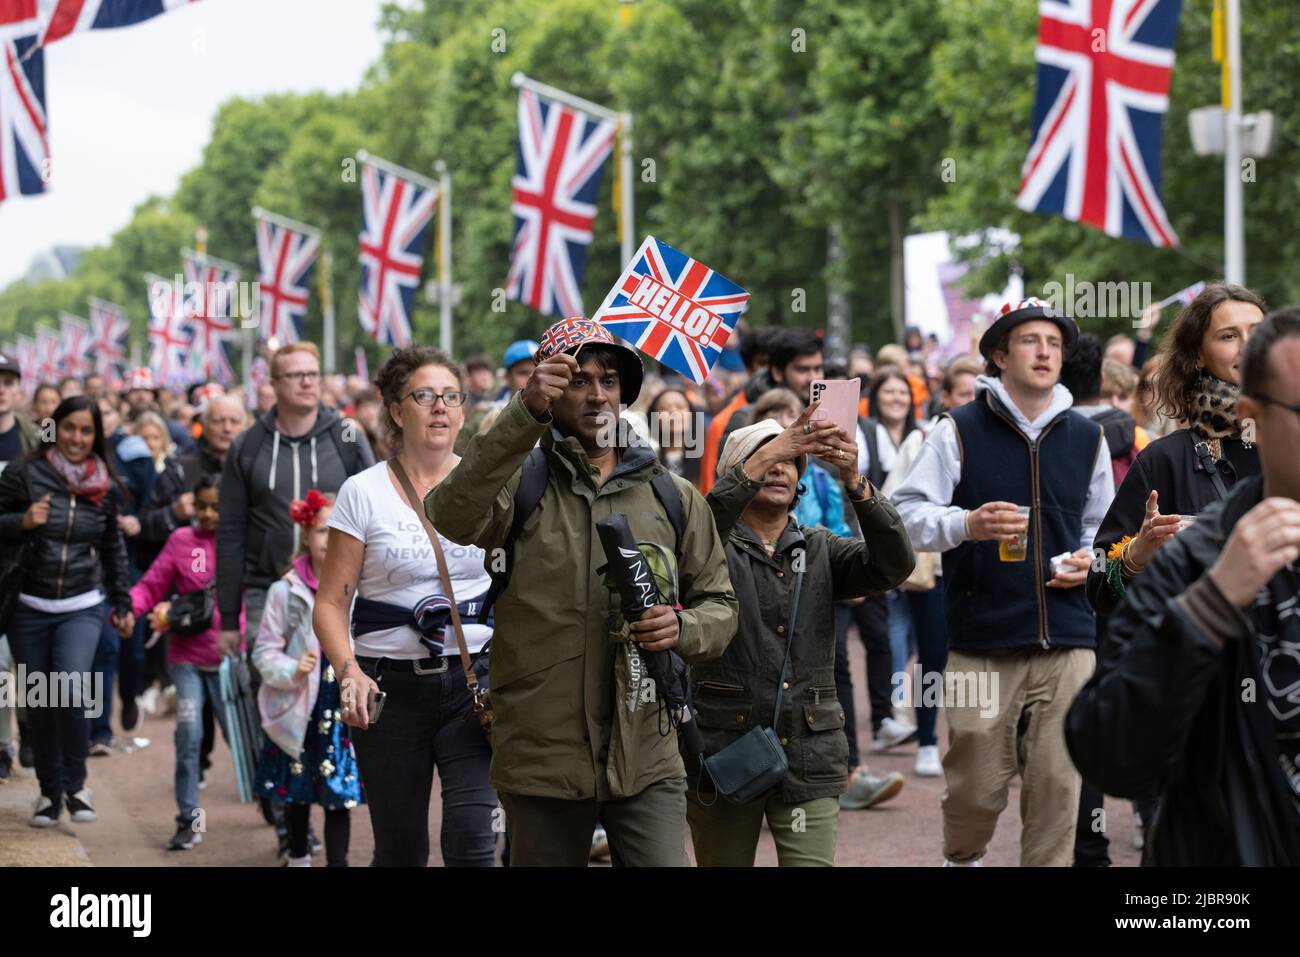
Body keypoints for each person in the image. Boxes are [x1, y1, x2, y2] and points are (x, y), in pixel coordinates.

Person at [429, 316, 738, 866]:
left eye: (610, 380)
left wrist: (684, 627)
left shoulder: (673, 495)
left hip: (648, 749)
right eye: (579, 379)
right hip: (543, 753)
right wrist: (521, 415)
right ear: (551, 389)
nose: (597, 393)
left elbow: (720, 606)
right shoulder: (521, 481)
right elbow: (451, 513)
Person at [1067, 306, 1300, 865]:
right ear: (1256, 414)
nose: (1243, 345)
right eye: (1228, 334)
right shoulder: (1169, 467)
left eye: (1253, 331)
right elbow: (1109, 747)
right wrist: (1197, 594)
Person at [892, 297, 1113, 866]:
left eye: (1055, 344)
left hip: (1070, 638)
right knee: (974, 791)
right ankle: (962, 856)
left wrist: (1091, 559)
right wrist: (967, 523)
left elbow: (1100, 526)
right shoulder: (956, 429)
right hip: (981, 640)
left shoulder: (1088, 438)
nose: (1045, 352)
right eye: (1030, 341)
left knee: (1060, 791)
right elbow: (904, 515)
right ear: (998, 354)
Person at [689, 414, 914, 865]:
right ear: (739, 471)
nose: (780, 468)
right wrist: (775, 450)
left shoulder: (822, 547)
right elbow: (697, 528)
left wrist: (855, 482)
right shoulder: (705, 544)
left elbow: (894, 564)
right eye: (767, 458)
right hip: (723, 750)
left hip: (811, 754)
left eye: (793, 460)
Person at [315, 346, 497, 867]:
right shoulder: (362, 492)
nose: (440, 407)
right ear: (397, 411)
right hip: (387, 689)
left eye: (451, 396)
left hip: (474, 685)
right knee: (401, 852)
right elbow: (329, 603)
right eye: (424, 395)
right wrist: (348, 671)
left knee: (474, 844)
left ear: (463, 410)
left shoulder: (491, 486)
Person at [216, 341, 373, 854]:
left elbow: (376, 508)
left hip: (340, 587)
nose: (307, 382)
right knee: (280, 691)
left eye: (313, 373)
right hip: (270, 588)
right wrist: (227, 614)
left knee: (332, 700)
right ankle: (288, 811)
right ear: (274, 384)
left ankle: (326, 796)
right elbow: (231, 532)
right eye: (295, 375)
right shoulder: (248, 446)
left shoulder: (347, 435)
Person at [0, 396, 134, 828]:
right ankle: (48, 792)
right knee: (40, 702)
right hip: (29, 606)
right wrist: (21, 522)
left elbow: (113, 548)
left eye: (86, 430)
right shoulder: (25, 473)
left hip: (82, 604)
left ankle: (76, 785)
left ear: (96, 436)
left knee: (73, 689)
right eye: (69, 428)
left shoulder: (107, 486)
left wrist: (123, 602)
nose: (77, 438)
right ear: (53, 429)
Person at [881, 355, 983, 778]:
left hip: (988, 566)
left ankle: (993, 742)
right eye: (964, 394)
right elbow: (892, 502)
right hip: (937, 571)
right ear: (946, 398)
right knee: (934, 656)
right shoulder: (923, 438)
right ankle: (926, 738)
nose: (974, 401)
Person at [255, 491, 363, 867]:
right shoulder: (284, 591)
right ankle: (298, 857)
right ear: (305, 534)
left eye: (337, 531)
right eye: (321, 531)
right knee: (295, 788)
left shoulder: (360, 586)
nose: (329, 540)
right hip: (299, 706)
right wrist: (290, 668)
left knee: (339, 792)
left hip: (340, 702)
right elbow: (263, 651)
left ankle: (338, 862)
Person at [128, 474, 234, 850]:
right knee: (189, 735)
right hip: (187, 659)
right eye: (201, 505)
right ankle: (189, 820)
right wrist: (129, 609)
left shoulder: (241, 542)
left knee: (246, 741)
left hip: (230, 663)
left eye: (216, 507)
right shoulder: (180, 541)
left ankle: (283, 817)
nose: (207, 513)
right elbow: (150, 585)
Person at [0, 352, 39, 780]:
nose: (0, 387)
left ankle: (30, 727)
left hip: (25, 564)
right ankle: (2, 743)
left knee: (25, 659)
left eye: (7, 379)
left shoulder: (34, 436)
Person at [647, 386, 702, 488]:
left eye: (680, 407)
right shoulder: (646, 461)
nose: (673, 412)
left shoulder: (706, 457)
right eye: (664, 408)